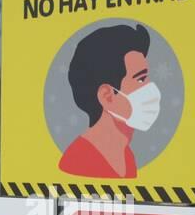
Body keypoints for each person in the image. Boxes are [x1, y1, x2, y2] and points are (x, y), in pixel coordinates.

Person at [58, 23, 161, 179]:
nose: (150, 87)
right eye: (140, 79)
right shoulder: (78, 161)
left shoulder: (126, 156)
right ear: (107, 96)